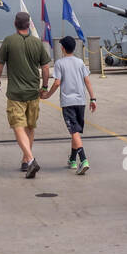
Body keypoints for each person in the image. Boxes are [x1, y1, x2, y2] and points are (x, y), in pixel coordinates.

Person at [0, 11, 52, 177]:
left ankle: (31, 159)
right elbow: (46, 67)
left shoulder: (9, 41)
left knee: (18, 126)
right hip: (33, 92)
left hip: (15, 93)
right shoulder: (37, 43)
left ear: (15, 24)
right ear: (29, 25)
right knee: (30, 127)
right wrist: (45, 86)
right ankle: (25, 160)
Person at [43, 35, 97, 174]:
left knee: (73, 132)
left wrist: (48, 95)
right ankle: (73, 160)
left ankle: (83, 159)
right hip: (81, 101)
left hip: (68, 103)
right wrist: (93, 99)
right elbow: (87, 81)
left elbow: (57, 83)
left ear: (62, 48)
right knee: (76, 132)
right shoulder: (80, 62)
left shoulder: (60, 63)